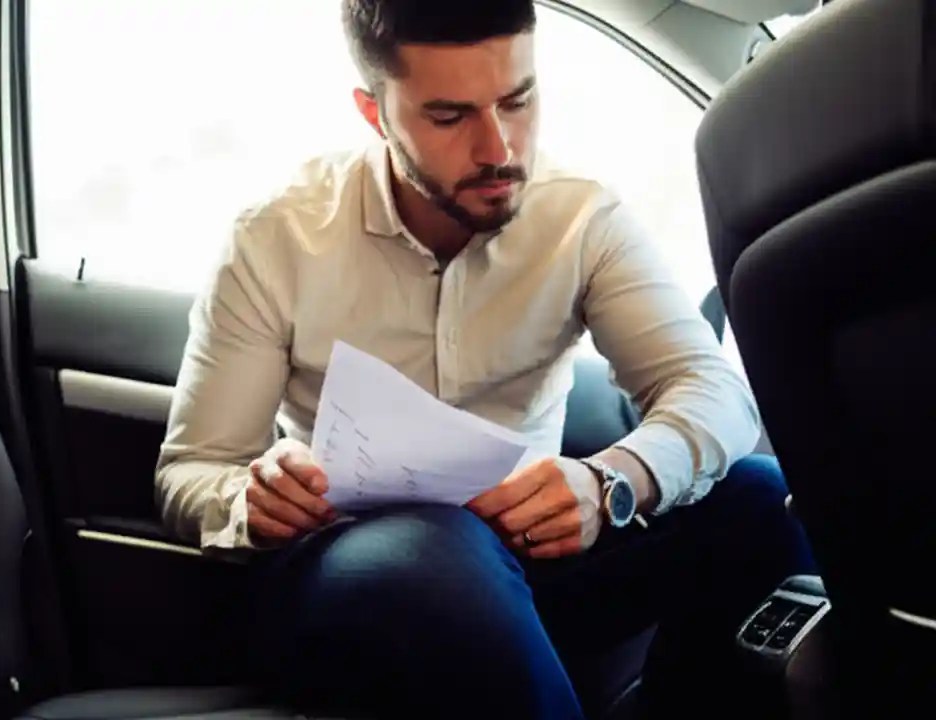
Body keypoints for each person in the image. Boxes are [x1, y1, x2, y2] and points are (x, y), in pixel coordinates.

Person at [155, 1, 816, 717]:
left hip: (533, 570)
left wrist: (608, 483)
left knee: (763, 498)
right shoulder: (274, 240)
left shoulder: (581, 219)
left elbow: (712, 390)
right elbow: (190, 471)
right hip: (353, 574)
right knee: (433, 553)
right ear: (375, 113)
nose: (499, 147)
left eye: (518, 100)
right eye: (449, 117)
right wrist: (247, 500)